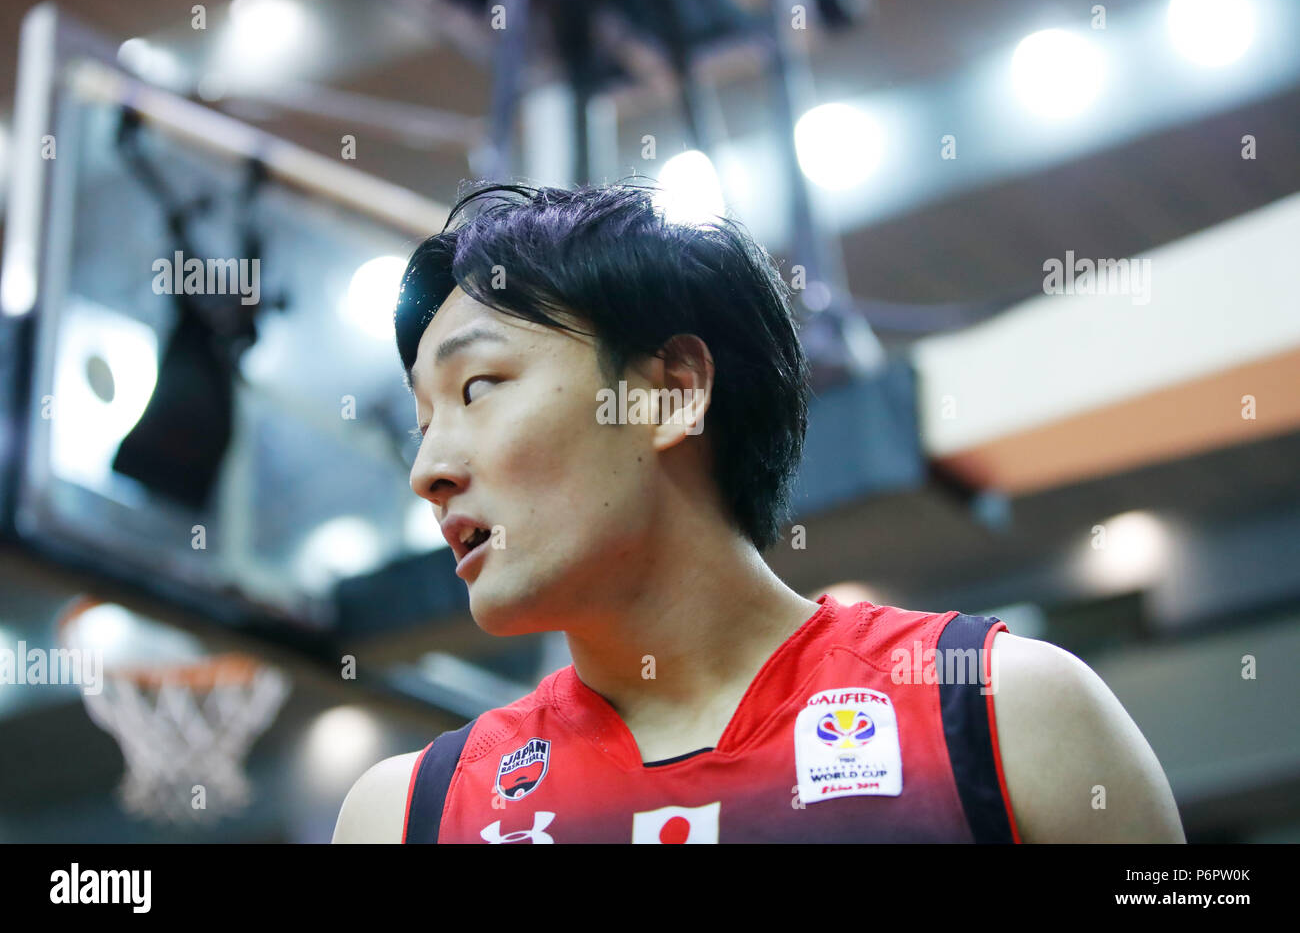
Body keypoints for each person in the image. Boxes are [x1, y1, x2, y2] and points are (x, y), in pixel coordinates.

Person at [332, 180, 1184, 843]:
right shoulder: (409, 816)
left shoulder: (1006, 714)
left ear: (670, 393)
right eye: (423, 421)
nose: (429, 471)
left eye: (478, 389)